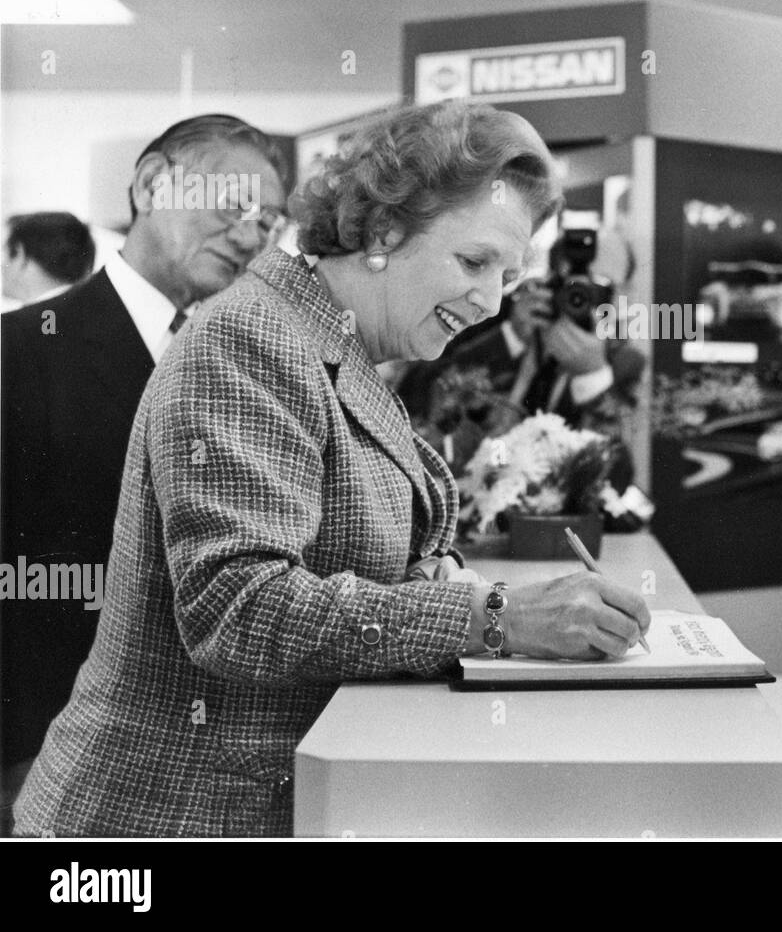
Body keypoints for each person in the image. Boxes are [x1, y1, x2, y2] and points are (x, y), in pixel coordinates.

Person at [12, 101, 651, 837]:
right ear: (383, 230)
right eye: (474, 261)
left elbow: (350, 551)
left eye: (509, 274)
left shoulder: (338, 344)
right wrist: (495, 616)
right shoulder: (249, 337)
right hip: (159, 817)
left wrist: (439, 581)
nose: (489, 301)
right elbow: (238, 609)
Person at [0, 115, 286, 826]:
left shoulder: (253, 370)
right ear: (154, 182)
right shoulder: (20, 354)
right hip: (51, 766)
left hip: (223, 773)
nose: (251, 236)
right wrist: (17, 752)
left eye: (269, 222)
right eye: (233, 204)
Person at [398, 226, 645, 440]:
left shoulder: (624, 364)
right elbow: (414, 392)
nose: (580, 295)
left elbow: (615, 473)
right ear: (552, 276)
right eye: (573, 280)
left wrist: (592, 376)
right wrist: (509, 338)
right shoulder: (493, 314)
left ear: (624, 293)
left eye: (599, 284)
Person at [0, 212, 96, 311]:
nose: (1, 266)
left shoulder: (14, 323)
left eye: (4, 251)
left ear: (19, 252)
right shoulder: (95, 318)